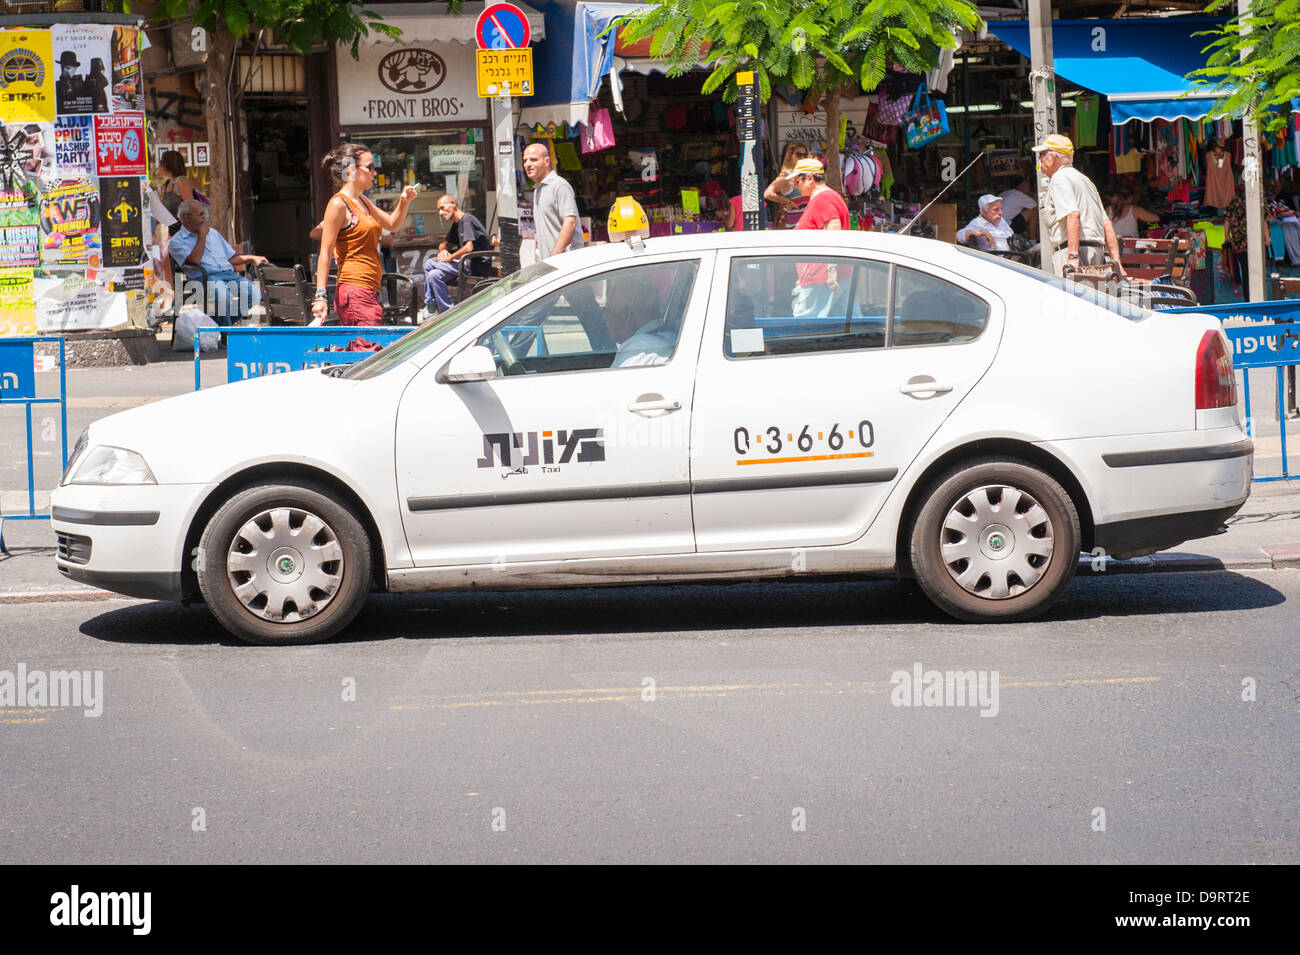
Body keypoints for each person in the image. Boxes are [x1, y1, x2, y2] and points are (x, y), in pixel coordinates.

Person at [312, 142, 417, 325]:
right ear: (351, 170)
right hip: (355, 292)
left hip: (368, 290)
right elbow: (325, 253)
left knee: (364, 349)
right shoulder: (338, 204)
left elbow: (392, 224)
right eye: (369, 167)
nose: (374, 173)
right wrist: (320, 296)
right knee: (366, 348)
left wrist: (404, 202)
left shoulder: (362, 200)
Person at [1030, 134, 1125, 278]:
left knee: (1072, 299)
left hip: (1075, 252)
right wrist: (1116, 261)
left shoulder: (1059, 178)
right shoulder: (1085, 180)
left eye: (1043, 154)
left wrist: (1073, 256)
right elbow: (1106, 223)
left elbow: (1073, 214)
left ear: (1053, 157)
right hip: (1095, 253)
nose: (1040, 159)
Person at [168, 200, 267, 325]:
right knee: (223, 297)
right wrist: (202, 236)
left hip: (228, 275)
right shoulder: (177, 241)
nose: (204, 217)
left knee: (254, 294)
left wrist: (251, 258)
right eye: (200, 214)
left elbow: (230, 258)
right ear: (186, 217)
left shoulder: (213, 233)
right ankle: (226, 337)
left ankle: (219, 325)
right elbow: (195, 260)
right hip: (204, 279)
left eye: (204, 213)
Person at [790, 157, 850, 317]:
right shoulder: (830, 197)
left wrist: (831, 270)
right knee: (846, 324)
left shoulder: (822, 199)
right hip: (828, 277)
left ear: (809, 178)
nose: (795, 186)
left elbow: (833, 230)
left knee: (805, 325)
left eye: (797, 181)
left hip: (820, 278)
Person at [423, 194, 492, 316]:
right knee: (434, 275)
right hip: (463, 265)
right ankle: (449, 312)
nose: (440, 213)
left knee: (429, 263)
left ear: (453, 204)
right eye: (438, 209)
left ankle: (430, 302)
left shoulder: (466, 220)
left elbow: (468, 247)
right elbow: (444, 244)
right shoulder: (457, 224)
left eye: (442, 208)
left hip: (474, 266)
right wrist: (443, 251)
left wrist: (449, 257)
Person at [522, 143, 583, 260]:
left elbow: (570, 222)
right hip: (551, 262)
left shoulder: (559, 186)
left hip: (566, 261)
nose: (528, 164)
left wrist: (555, 256)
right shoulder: (538, 189)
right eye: (525, 161)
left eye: (533, 160)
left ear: (546, 161)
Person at [764, 141, 810, 225]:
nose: (802, 157)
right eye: (798, 154)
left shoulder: (807, 174)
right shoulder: (787, 175)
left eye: (805, 155)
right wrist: (787, 202)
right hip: (793, 224)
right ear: (790, 156)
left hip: (807, 223)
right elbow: (768, 193)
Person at [157, 150, 196, 236]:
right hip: (171, 234)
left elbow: (191, 207)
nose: (159, 166)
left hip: (183, 233)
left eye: (161, 162)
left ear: (170, 164)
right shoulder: (165, 185)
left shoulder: (181, 181)